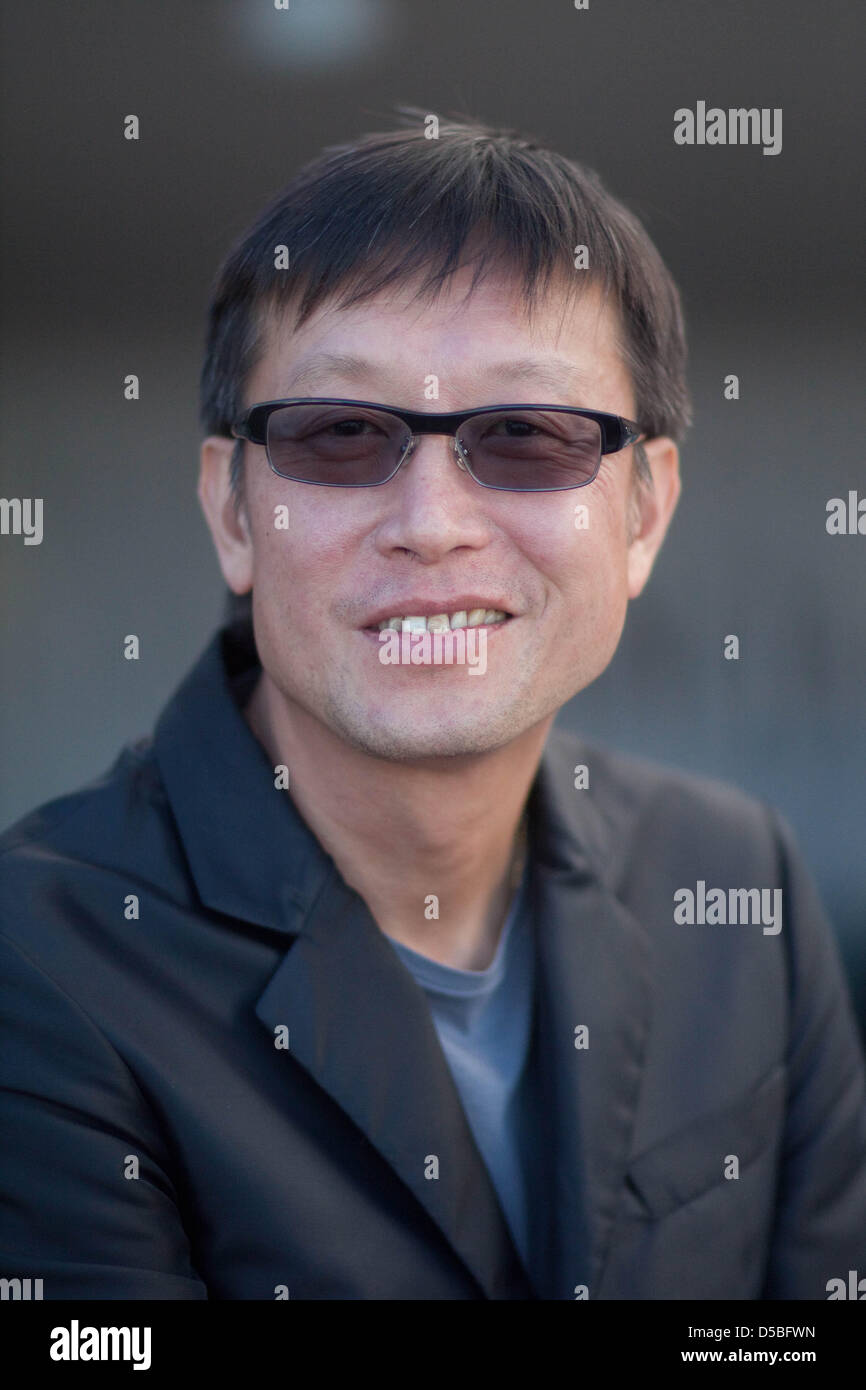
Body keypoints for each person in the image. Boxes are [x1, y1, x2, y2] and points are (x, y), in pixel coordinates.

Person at [1, 115, 864, 1302]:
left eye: (527, 434)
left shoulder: (734, 884)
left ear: (644, 515)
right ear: (234, 512)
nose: (432, 521)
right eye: (341, 434)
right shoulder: (42, 953)